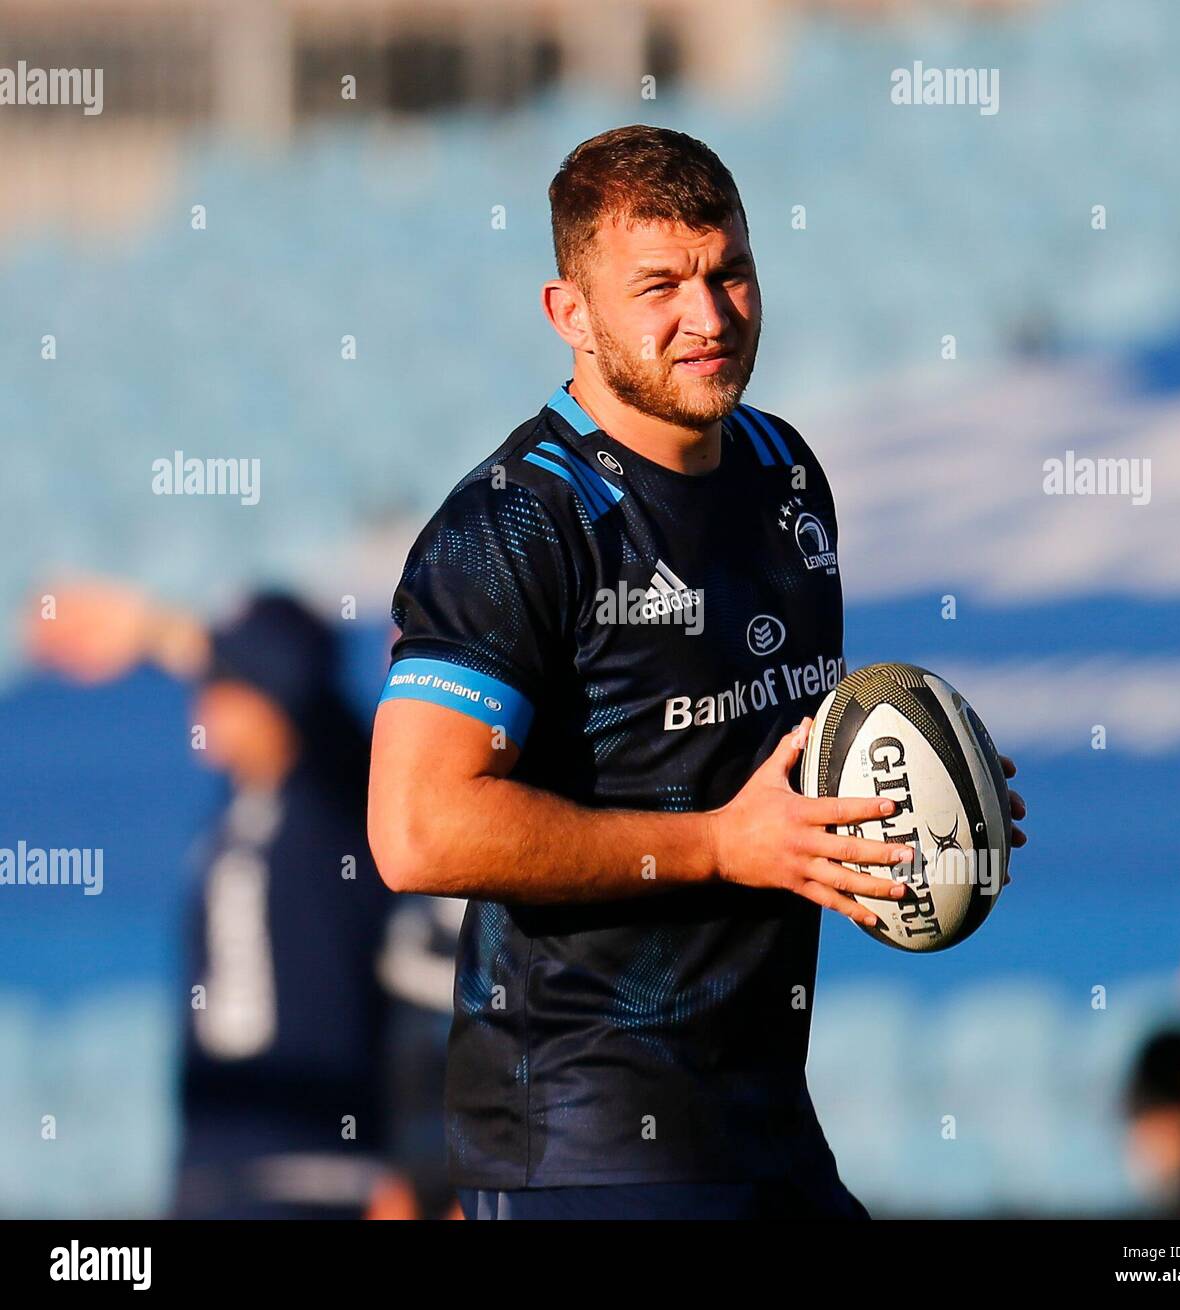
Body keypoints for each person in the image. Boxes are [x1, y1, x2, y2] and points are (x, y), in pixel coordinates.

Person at [368, 125, 1029, 1221]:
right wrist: (721, 842)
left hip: (766, 1117)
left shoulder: (785, 471)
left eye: (729, 271)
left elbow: (773, 767)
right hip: (587, 1135)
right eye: (660, 284)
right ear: (569, 312)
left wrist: (908, 813)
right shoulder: (514, 523)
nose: (710, 315)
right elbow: (416, 829)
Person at [27, 584, 458, 1218]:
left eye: (227, 686)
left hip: (322, 1176)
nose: (206, 706)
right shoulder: (234, 818)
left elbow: (291, 671)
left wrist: (152, 631)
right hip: (213, 1176)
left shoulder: (334, 807)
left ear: (273, 699)